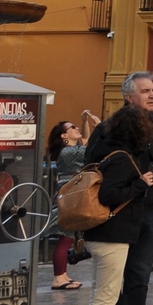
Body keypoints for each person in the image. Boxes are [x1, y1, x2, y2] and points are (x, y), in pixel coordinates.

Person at [83, 72, 153, 305]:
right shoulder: (111, 127)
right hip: (119, 212)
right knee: (111, 284)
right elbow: (92, 164)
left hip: (147, 212)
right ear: (128, 96)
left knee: (139, 276)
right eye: (145, 90)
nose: (152, 95)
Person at [83, 102, 153, 305]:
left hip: (103, 235)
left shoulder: (105, 147)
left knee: (102, 298)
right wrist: (141, 184)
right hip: (112, 236)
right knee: (105, 300)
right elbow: (109, 195)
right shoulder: (121, 157)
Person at [46, 113, 96, 290]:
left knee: (67, 237)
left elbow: (86, 140)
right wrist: (97, 126)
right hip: (69, 195)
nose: (76, 129)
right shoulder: (68, 152)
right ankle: (58, 278)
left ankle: (63, 275)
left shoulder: (70, 150)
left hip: (71, 193)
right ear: (64, 136)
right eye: (72, 127)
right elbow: (91, 144)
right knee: (65, 237)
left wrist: (84, 122)